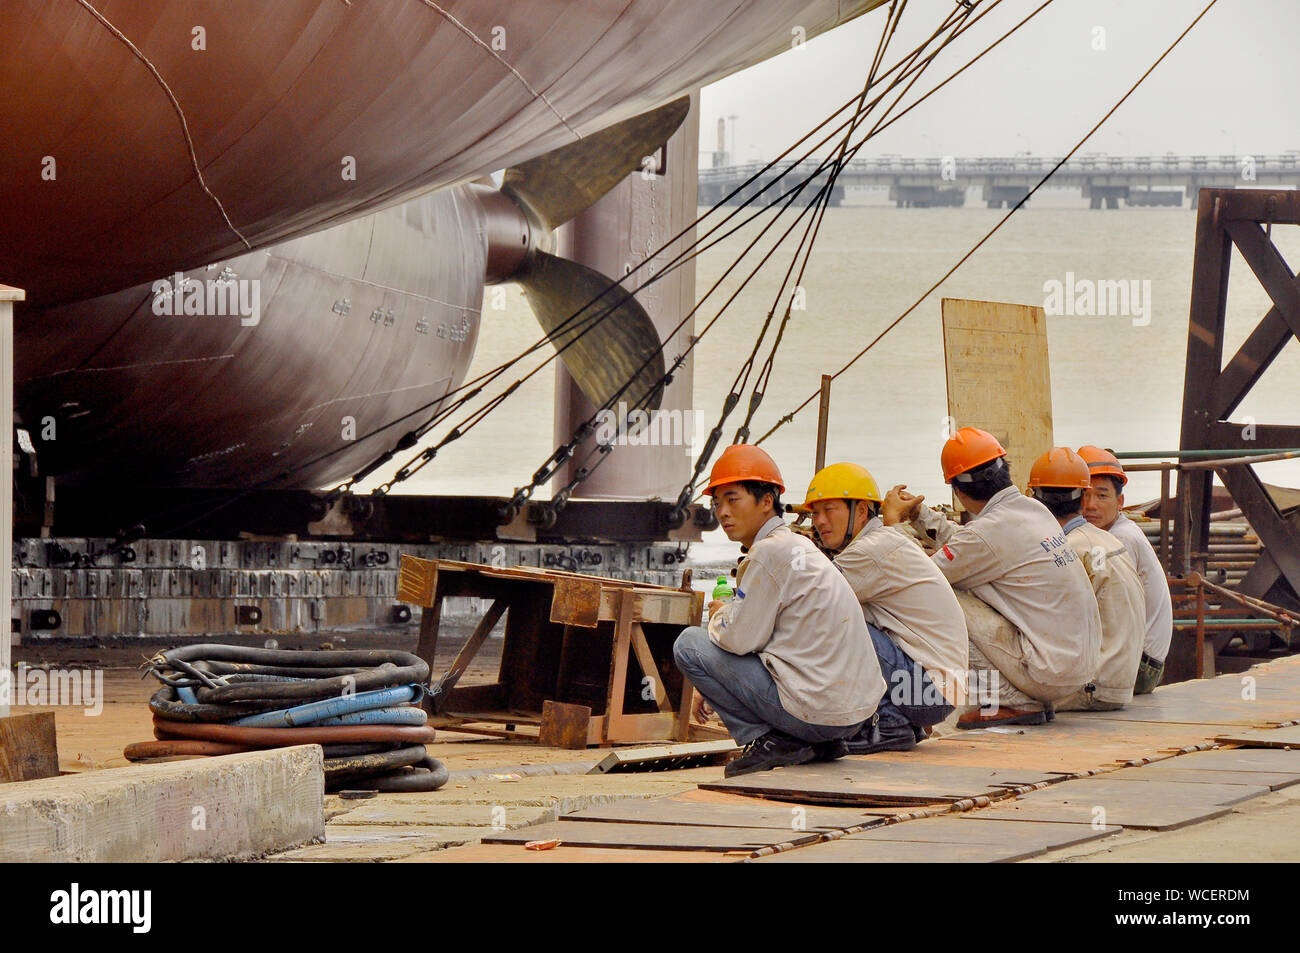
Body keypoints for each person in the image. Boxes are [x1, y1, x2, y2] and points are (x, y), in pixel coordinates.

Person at [672, 444, 886, 778]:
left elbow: (738, 640)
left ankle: (771, 741)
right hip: (853, 718)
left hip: (817, 715)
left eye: (733, 499)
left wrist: (719, 614)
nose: (722, 512)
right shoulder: (799, 547)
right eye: (716, 503)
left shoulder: (769, 553)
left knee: (689, 643)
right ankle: (810, 743)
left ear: (766, 501)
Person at [882, 427, 1101, 729]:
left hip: (1050, 671)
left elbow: (916, 578)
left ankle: (1011, 699)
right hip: (1075, 667)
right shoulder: (1031, 509)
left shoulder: (989, 533)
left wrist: (892, 525)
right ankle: (1020, 696)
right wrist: (920, 515)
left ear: (957, 491)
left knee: (941, 597)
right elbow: (972, 542)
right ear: (1005, 472)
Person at [801, 462, 967, 751]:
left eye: (830, 509)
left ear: (862, 511)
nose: (820, 521)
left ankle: (889, 722)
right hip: (936, 692)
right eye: (815, 513)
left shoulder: (870, 551)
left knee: (832, 624)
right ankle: (896, 721)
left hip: (927, 692)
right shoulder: (883, 541)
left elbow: (805, 606)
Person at [1028, 448, 1145, 710]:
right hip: (1119, 682)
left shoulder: (1067, 550)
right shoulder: (1105, 538)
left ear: (1033, 500)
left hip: (1094, 687)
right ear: (1082, 498)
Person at [1078, 446, 1174, 694]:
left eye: (1102, 496)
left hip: (1140, 667)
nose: (1091, 506)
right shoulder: (1110, 534)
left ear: (1120, 502)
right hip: (1141, 661)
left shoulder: (1120, 540)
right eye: (1084, 495)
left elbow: (1095, 604)